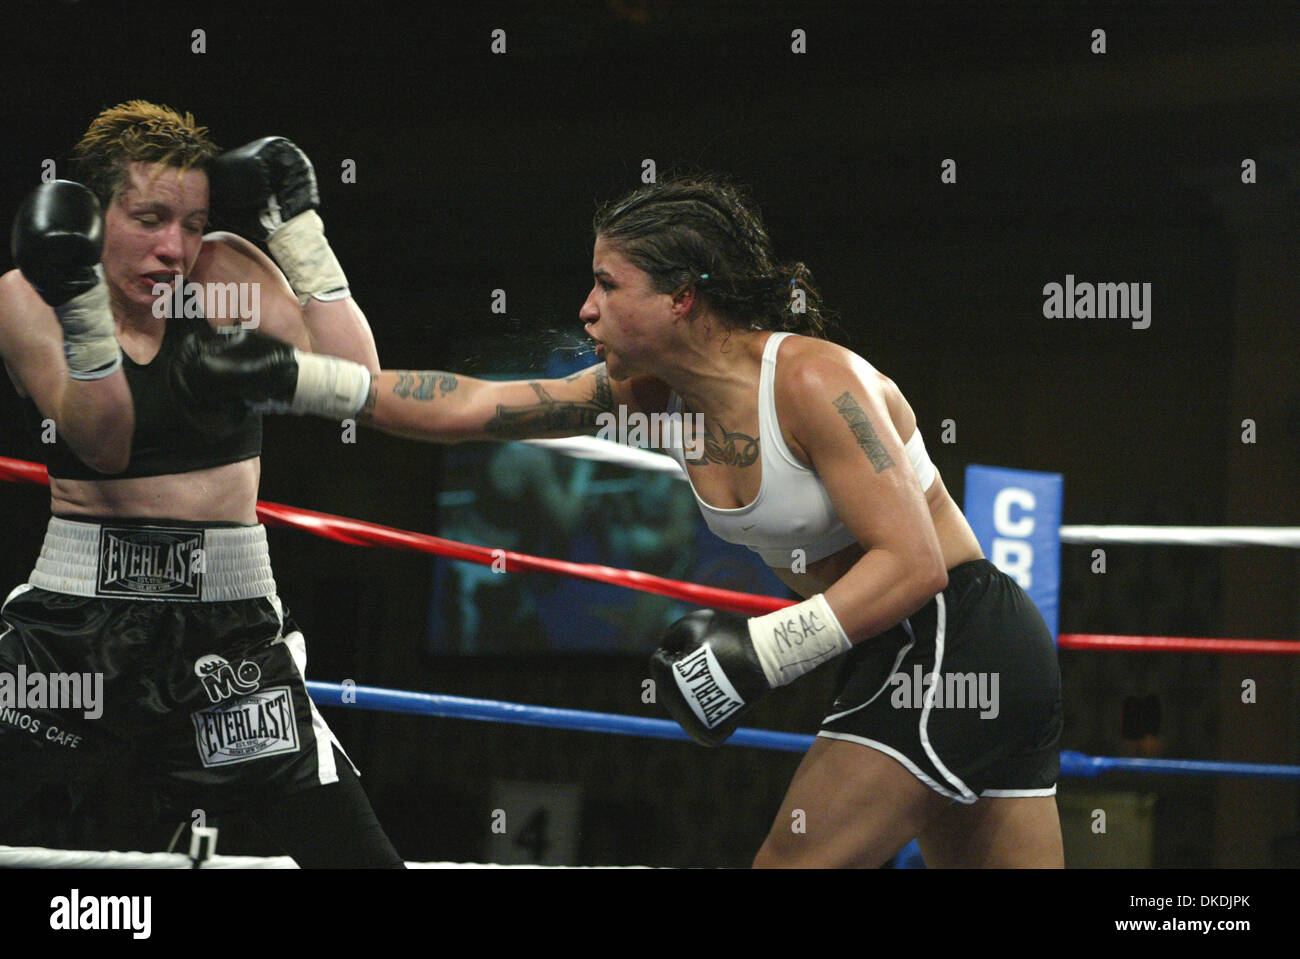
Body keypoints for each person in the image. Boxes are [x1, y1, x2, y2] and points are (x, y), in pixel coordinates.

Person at [182, 174, 1064, 868]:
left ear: (682, 295)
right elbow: (474, 406)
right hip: (916, 654)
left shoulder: (812, 382)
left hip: (954, 637)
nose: (586, 307)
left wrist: (762, 652)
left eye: (609, 283)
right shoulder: (650, 399)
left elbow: (915, 564)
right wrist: (297, 379)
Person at [0, 101, 402, 867]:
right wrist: (82, 298)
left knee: (358, 860)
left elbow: (361, 382)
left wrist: (300, 233)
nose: (174, 247)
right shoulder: (30, 292)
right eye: (150, 218)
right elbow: (105, 442)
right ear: (93, 213)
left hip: (228, 635)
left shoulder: (225, 271)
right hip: (73, 630)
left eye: (191, 222)